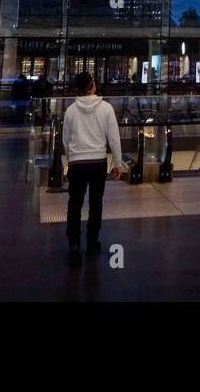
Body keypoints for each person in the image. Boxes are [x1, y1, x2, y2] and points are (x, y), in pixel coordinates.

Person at [62, 72, 124, 267]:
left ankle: (74, 244)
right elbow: (113, 137)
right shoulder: (106, 108)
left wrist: (71, 159)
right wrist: (118, 162)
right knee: (96, 203)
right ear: (93, 85)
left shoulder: (71, 110)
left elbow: (66, 139)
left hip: (77, 162)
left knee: (74, 204)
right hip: (98, 161)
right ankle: (92, 243)